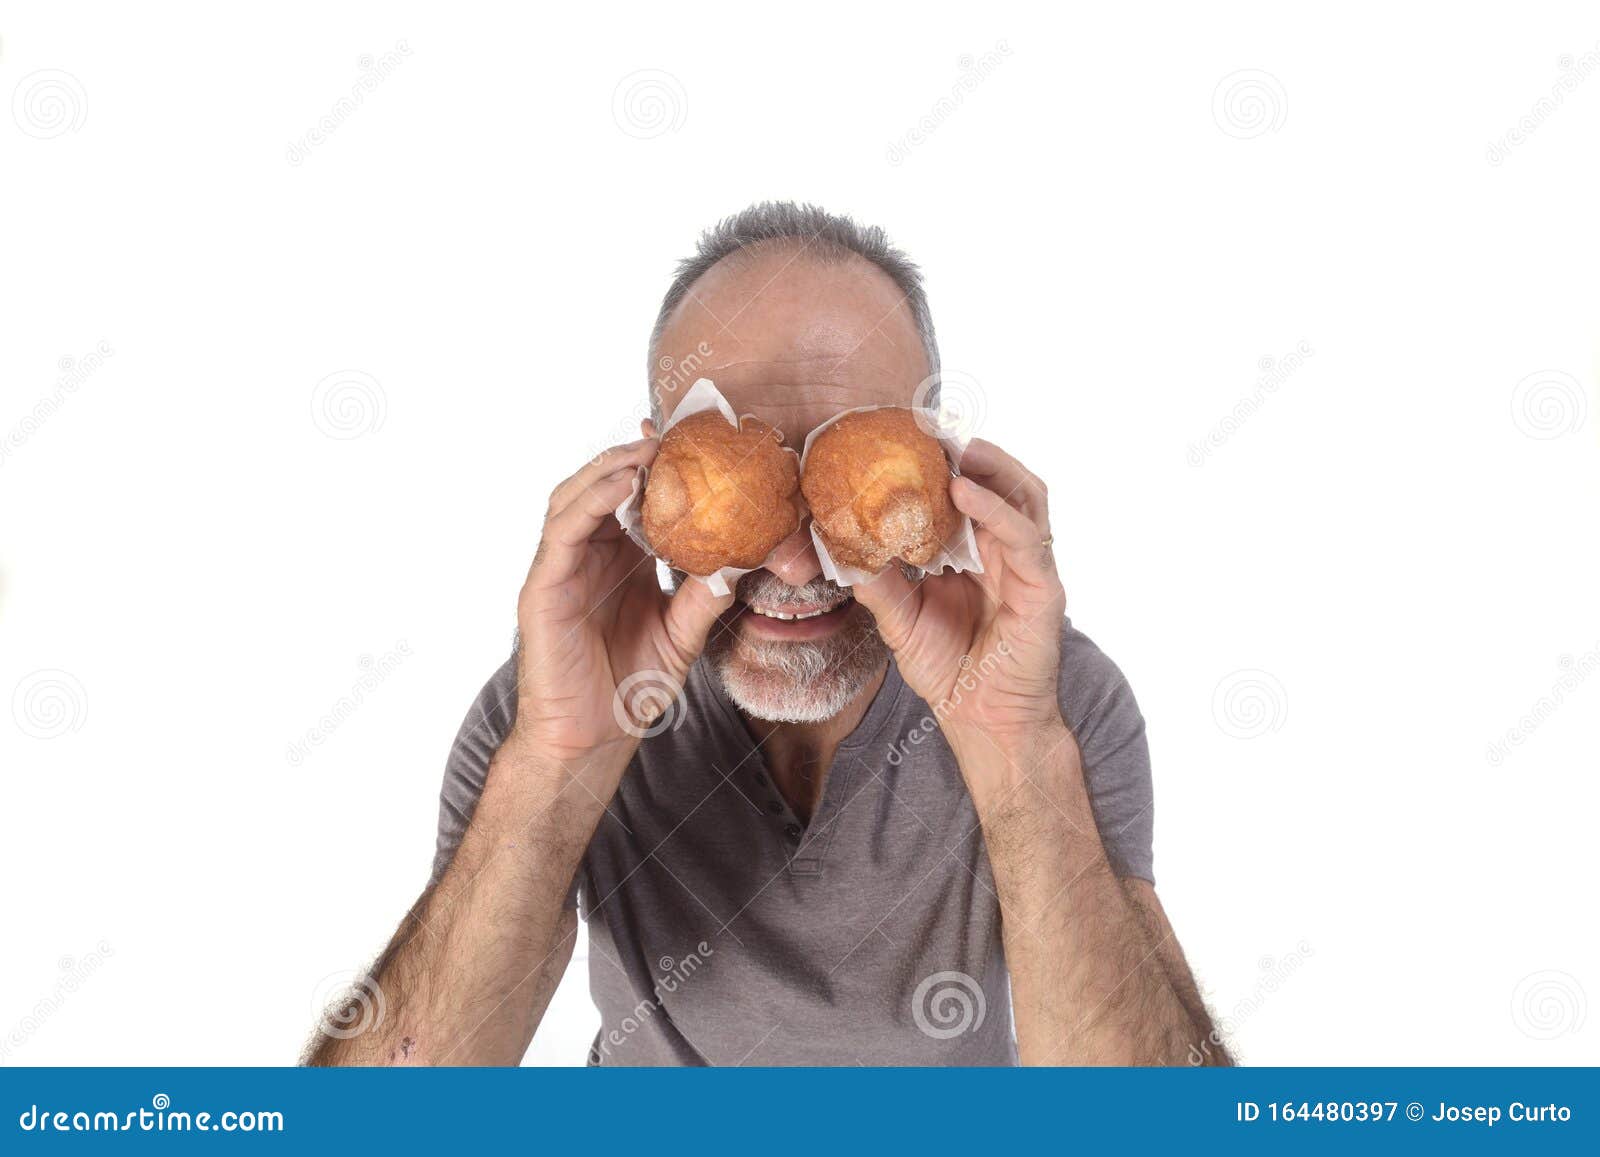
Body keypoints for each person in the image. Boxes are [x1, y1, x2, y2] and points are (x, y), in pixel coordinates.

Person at [306, 202, 1227, 1066]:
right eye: (737, 478)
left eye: (846, 481)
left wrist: (1017, 753)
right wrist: (558, 762)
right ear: (646, 479)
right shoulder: (557, 696)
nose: (792, 564)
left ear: (943, 470)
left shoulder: (1050, 697)